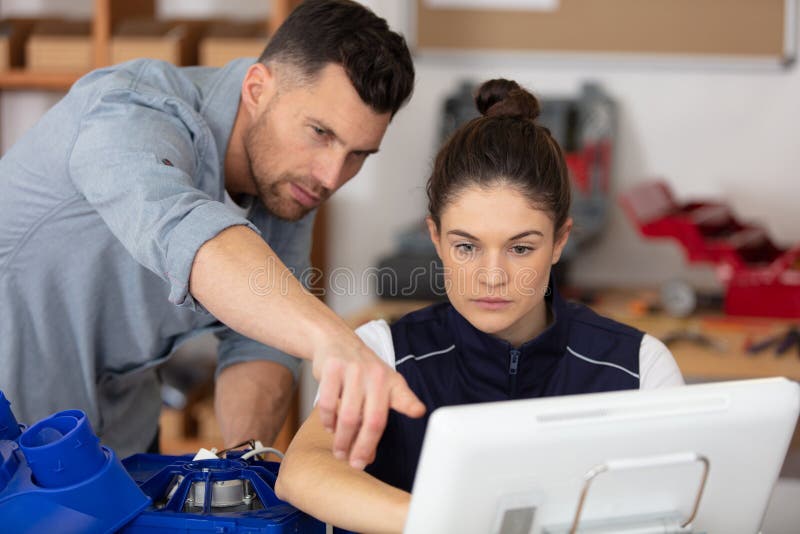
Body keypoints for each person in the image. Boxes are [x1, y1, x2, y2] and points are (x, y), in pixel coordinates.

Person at [0, 0, 425, 463]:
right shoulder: (128, 111)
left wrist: (242, 463)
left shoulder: (289, 182)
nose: (331, 176)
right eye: (320, 132)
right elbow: (186, 234)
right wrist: (334, 340)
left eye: (358, 154)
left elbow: (259, 341)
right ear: (257, 89)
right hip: (14, 434)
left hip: (116, 441)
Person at [275, 79, 685, 533]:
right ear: (436, 238)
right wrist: (455, 523)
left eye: (521, 248)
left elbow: (684, 510)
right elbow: (303, 472)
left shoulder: (639, 369)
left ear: (559, 241)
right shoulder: (381, 353)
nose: (492, 276)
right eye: (467, 247)